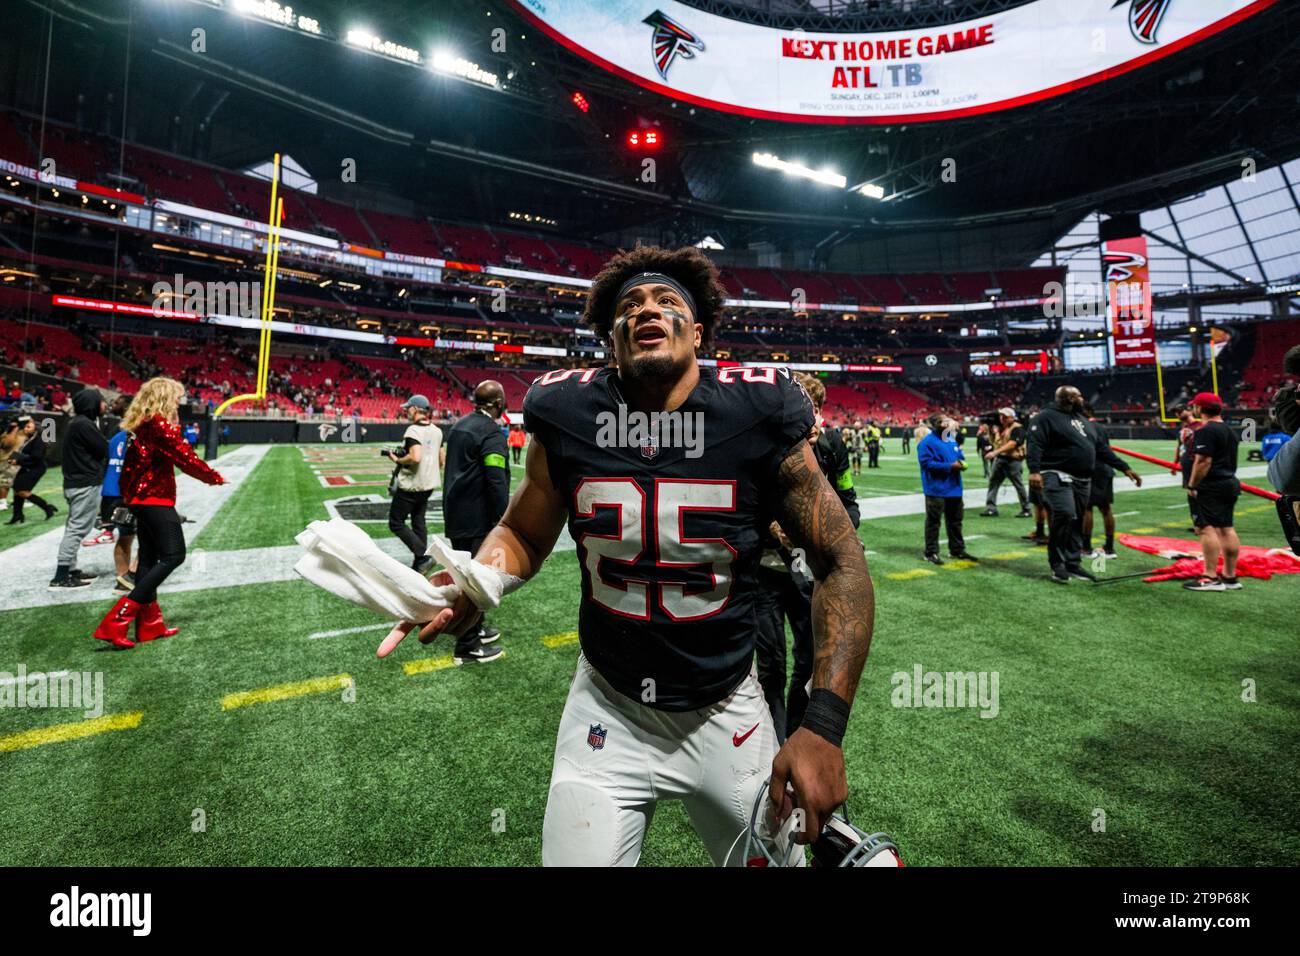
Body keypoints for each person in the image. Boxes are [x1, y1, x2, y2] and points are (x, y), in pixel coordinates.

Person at [377, 246, 875, 867]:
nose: (648, 309)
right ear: (610, 338)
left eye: (668, 302)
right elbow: (526, 534)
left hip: (727, 708)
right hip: (607, 709)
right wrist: (479, 582)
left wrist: (823, 725)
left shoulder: (758, 409)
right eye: (630, 305)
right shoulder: (567, 410)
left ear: (697, 333)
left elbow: (840, 561)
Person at [755, 373, 859, 743]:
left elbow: (849, 502)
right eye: (804, 409)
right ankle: (771, 742)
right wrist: (773, 526)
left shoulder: (831, 445)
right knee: (771, 665)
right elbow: (743, 506)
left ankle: (794, 737)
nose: (814, 419)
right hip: (764, 572)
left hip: (807, 573)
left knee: (808, 660)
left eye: (817, 409)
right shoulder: (762, 444)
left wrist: (840, 538)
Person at [91, 377, 225, 649]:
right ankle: (117, 619)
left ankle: (150, 625)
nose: (179, 402)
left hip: (142, 498)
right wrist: (213, 477)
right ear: (165, 397)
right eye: (176, 397)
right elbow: (185, 457)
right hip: (154, 498)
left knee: (150, 559)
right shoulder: (158, 424)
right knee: (174, 554)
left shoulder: (144, 424)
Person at [1027, 386, 1141, 585]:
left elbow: (1101, 449)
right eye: (1079, 395)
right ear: (1069, 398)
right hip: (1055, 473)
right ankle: (1057, 563)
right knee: (1064, 513)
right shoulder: (1045, 417)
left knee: (1077, 520)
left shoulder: (1083, 421)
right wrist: (1034, 470)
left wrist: (1124, 467)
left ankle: (1072, 562)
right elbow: (1035, 443)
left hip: (1083, 479)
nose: (1083, 398)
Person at [440, 381, 510, 664]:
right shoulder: (490, 431)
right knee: (475, 582)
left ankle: (475, 629)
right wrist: (504, 521)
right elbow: (496, 480)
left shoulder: (461, 425)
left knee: (467, 576)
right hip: (477, 517)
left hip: (457, 512)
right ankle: (467, 647)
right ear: (496, 403)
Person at [1182, 392, 1242, 591]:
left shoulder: (1206, 430)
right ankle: (1230, 576)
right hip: (1229, 482)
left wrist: (1192, 485)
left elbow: (1204, 461)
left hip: (1212, 484)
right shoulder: (1229, 430)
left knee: (1206, 528)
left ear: (1200, 408)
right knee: (1226, 528)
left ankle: (1210, 577)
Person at [49, 388, 108, 590]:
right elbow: (104, 449)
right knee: (77, 529)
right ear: (92, 403)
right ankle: (61, 575)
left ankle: (71, 569)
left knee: (74, 527)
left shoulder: (79, 423)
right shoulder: (84, 424)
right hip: (84, 484)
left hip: (77, 483)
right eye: (101, 401)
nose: (105, 405)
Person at [386, 394, 444, 572]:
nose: (406, 411)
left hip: (411, 485)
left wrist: (397, 459)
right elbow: (442, 459)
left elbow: (416, 456)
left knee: (396, 522)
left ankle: (423, 555)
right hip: (428, 484)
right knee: (419, 521)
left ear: (415, 409)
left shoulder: (413, 430)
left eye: (408, 408)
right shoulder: (437, 430)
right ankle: (420, 563)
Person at [917, 413, 976, 565]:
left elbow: (959, 455)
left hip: (954, 488)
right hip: (936, 488)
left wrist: (961, 463)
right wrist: (950, 466)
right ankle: (931, 552)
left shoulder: (950, 438)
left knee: (956, 521)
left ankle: (957, 550)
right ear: (936, 423)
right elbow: (927, 464)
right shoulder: (926, 443)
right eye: (943, 421)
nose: (947, 423)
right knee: (933, 522)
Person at [102, 398, 138, 592]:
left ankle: (122, 580)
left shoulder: (115, 436)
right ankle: (131, 575)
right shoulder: (137, 438)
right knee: (153, 538)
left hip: (111, 494)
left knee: (125, 536)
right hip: (128, 496)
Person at [1081, 404, 1120, 559]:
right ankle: (1109, 547)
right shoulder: (1100, 427)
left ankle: (1086, 547)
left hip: (1091, 470)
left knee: (1087, 508)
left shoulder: (1085, 427)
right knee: (1106, 509)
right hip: (1105, 469)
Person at [5, 415, 57, 524]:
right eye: (26, 427)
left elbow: (36, 458)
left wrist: (18, 461)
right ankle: (17, 515)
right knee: (16, 490)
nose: (25, 428)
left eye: (29, 427)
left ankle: (47, 508)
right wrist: (14, 458)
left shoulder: (39, 441)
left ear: (36, 429)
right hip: (27, 467)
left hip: (35, 468)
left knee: (23, 492)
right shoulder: (30, 439)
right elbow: (24, 454)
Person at [980, 407, 1031, 517]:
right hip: (1000, 459)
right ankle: (991, 508)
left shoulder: (1018, 428)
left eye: (1005, 416)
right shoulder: (999, 428)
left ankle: (1026, 509)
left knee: (1018, 485)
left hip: (1013, 460)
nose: (1002, 418)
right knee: (993, 483)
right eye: (1001, 416)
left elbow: (1012, 444)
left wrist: (995, 453)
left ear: (1012, 418)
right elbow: (995, 442)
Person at [0, 418, 19, 512]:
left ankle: (9, 502)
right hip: (5, 461)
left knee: (9, 483)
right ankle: (4, 502)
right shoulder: (5, 435)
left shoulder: (13, 435)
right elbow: (6, 445)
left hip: (11, 461)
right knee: (5, 483)